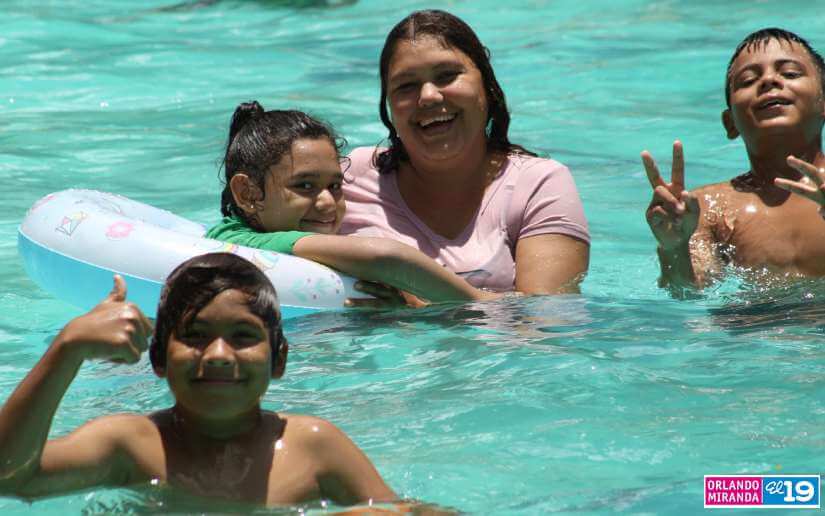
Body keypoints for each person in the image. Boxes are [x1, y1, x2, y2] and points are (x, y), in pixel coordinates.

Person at [0, 253, 397, 506]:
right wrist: (66, 349)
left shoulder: (313, 446)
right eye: (194, 336)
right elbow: (11, 477)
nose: (219, 355)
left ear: (279, 359)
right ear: (157, 358)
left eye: (243, 337)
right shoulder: (130, 445)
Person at [338, 9, 590, 295]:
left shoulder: (537, 185)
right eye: (406, 86)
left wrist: (414, 297)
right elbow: (278, 247)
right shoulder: (347, 177)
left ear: (488, 87)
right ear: (389, 106)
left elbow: (546, 323)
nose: (428, 96)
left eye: (447, 76)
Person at [206, 101, 498, 305]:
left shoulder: (282, 235)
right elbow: (389, 258)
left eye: (334, 186)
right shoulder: (236, 242)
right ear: (246, 193)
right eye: (304, 186)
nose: (326, 203)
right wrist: (480, 303)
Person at [643, 28, 825, 291]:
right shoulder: (705, 207)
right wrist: (674, 248)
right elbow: (690, 294)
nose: (769, 81)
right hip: (749, 326)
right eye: (748, 80)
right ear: (730, 123)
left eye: (790, 73)